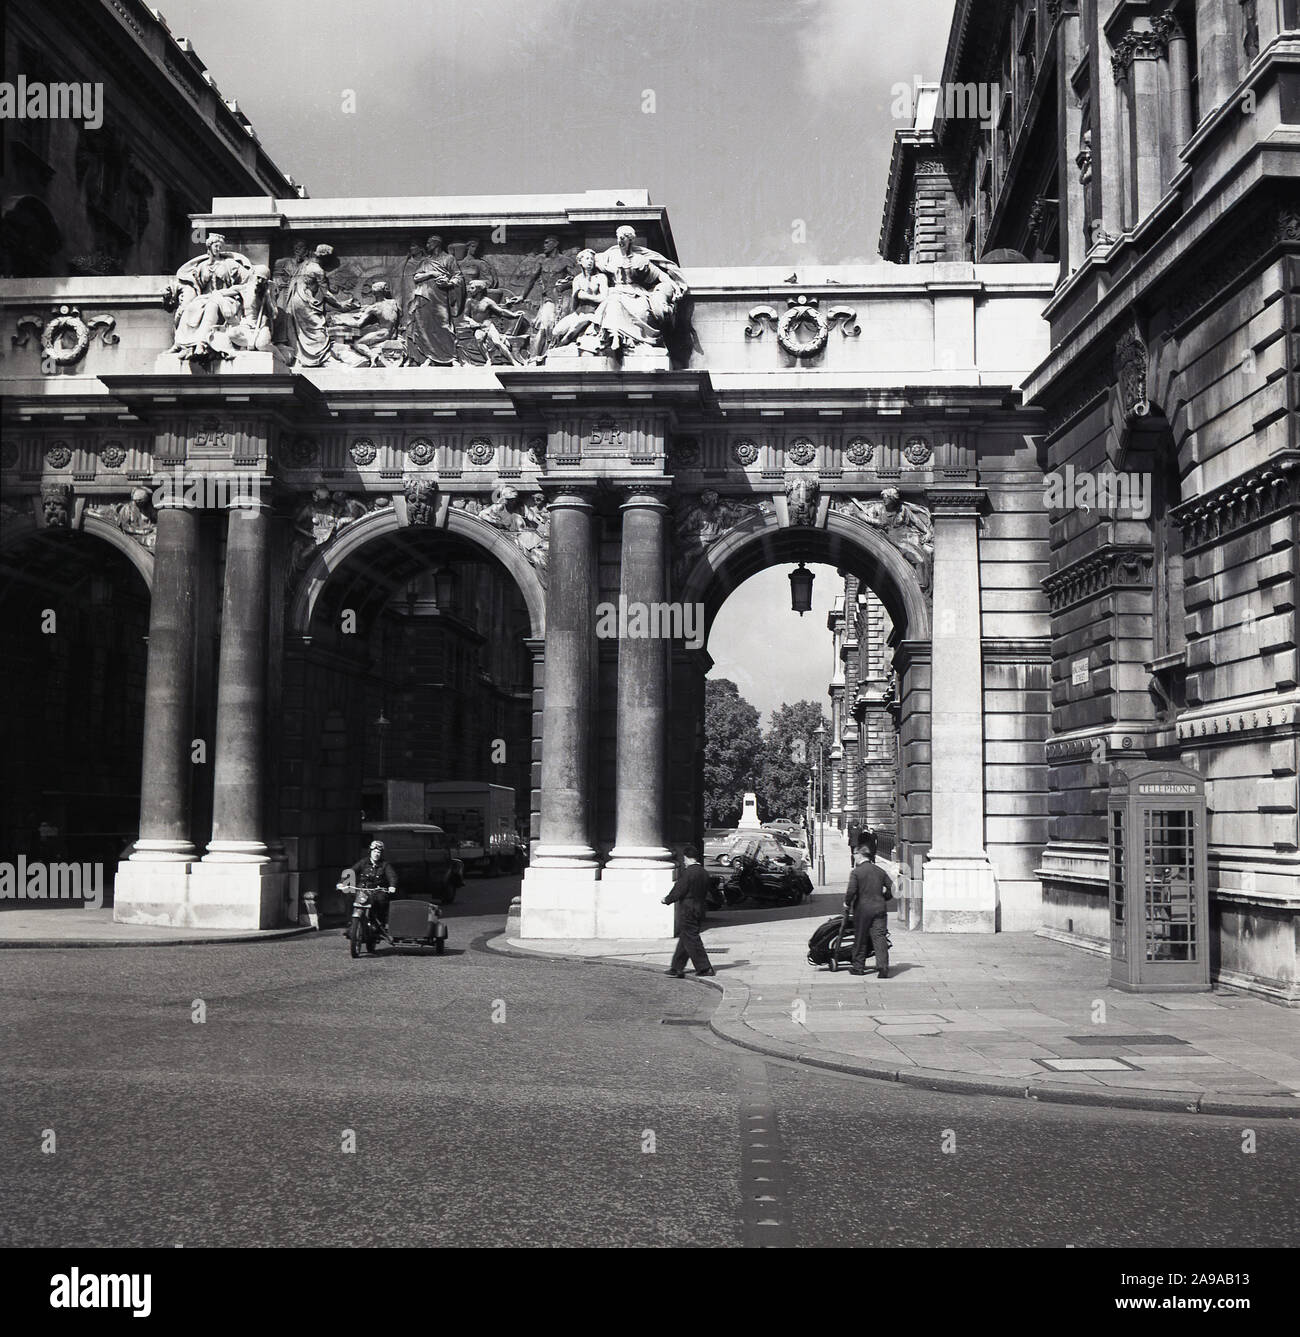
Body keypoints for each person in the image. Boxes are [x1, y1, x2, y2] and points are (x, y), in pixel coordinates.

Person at [844, 830, 893, 978]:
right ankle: (883, 967)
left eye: (854, 854)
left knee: (861, 937)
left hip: (863, 910)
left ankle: (858, 967)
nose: (854, 856)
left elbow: (851, 891)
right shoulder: (879, 871)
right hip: (879, 908)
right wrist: (884, 898)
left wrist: (847, 903)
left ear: (860, 855)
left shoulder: (857, 872)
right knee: (879, 937)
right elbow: (893, 888)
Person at [662, 845, 716, 978]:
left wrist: (667, 899)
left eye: (684, 858)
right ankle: (676, 967)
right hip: (699, 908)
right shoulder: (703, 872)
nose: (684, 861)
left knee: (691, 938)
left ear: (686, 857)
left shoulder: (688, 873)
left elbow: (679, 889)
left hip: (688, 909)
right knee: (686, 937)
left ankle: (704, 967)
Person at [348, 839, 398, 929]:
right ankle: (351, 923)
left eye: (379, 852)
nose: (376, 854)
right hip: (362, 890)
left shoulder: (385, 865)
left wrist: (392, 886)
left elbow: (392, 876)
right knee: (349, 898)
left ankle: (379, 924)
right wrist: (342, 882)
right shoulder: (363, 862)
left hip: (377, 890)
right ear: (370, 852)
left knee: (381, 901)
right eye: (374, 851)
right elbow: (351, 871)